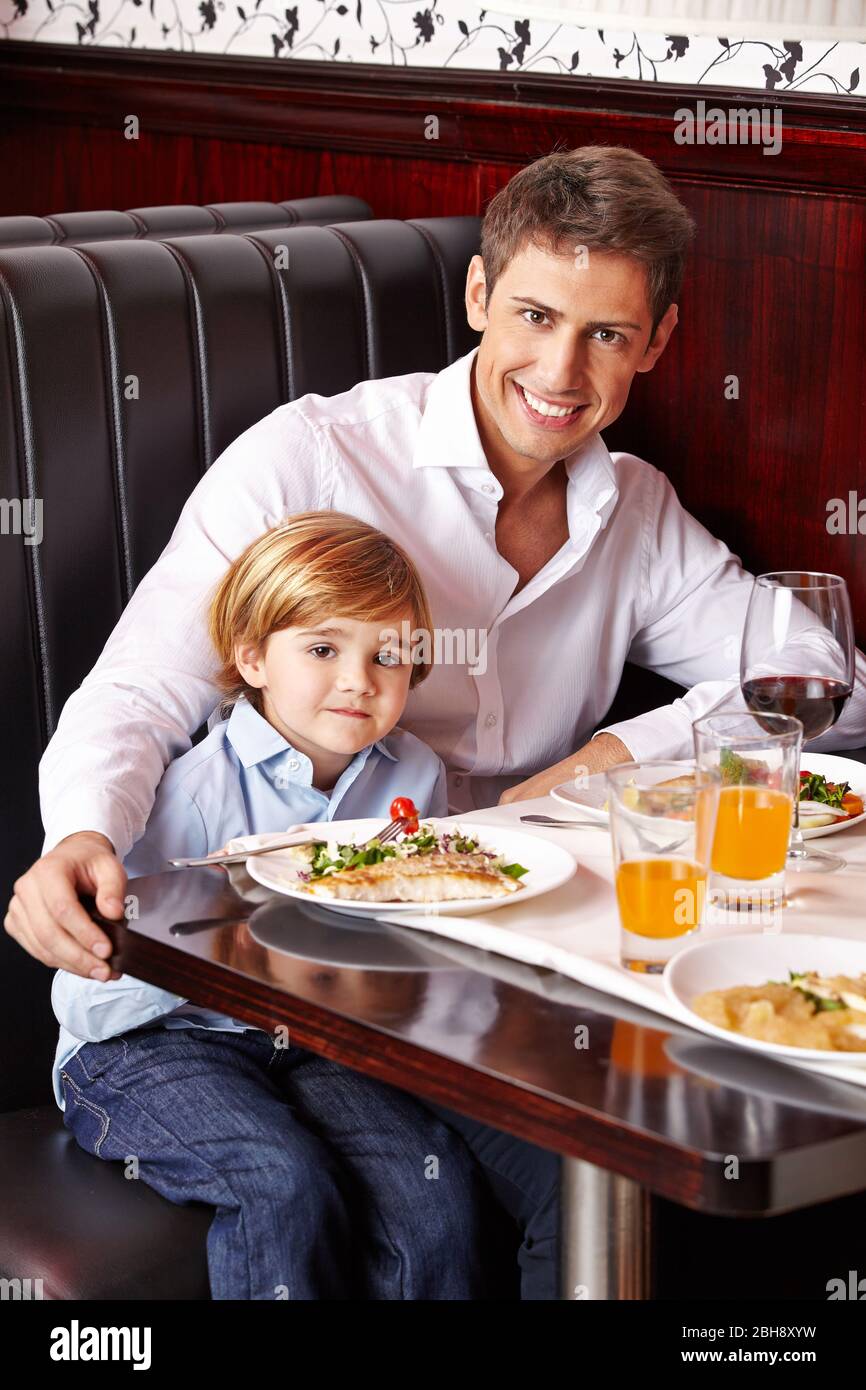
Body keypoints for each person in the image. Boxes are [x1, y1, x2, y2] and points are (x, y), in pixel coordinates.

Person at [7, 143, 866, 1298]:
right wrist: (77, 838)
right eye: (533, 313)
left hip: (529, 975)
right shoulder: (312, 457)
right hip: (342, 979)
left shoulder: (635, 512)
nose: (560, 371)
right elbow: (137, 694)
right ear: (475, 297)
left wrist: (613, 754)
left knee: (605, 1200)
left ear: (657, 344)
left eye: (607, 334)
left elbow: (819, 671)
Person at [50, 512, 498, 1300]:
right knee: (278, 1180)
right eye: (323, 649)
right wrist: (234, 940)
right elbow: (85, 1000)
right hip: (146, 1046)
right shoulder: (186, 797)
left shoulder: (414, 781)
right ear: (253, 657)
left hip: (312, 1042)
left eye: (387, 655)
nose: (360, 679)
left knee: (436, 1196)